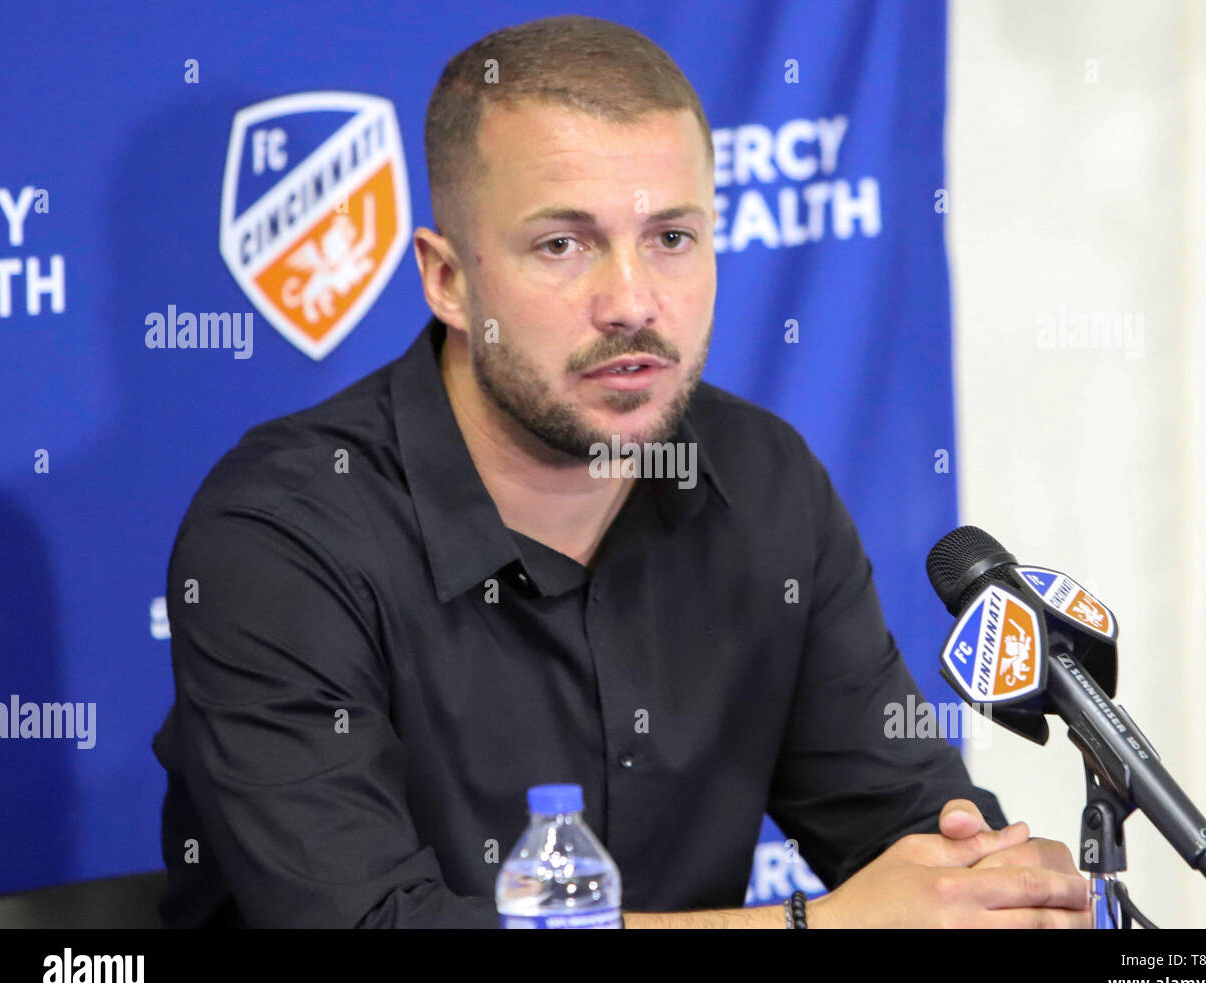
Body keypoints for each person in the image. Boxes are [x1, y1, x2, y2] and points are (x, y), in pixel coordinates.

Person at [152, 14, 1091, 929]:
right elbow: (368, 925)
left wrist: (987, 895)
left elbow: (906, 831)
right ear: (447, 281)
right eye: (563, 244)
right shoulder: (280, 535)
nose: (632, 302)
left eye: (671, 238)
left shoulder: (764, 484)